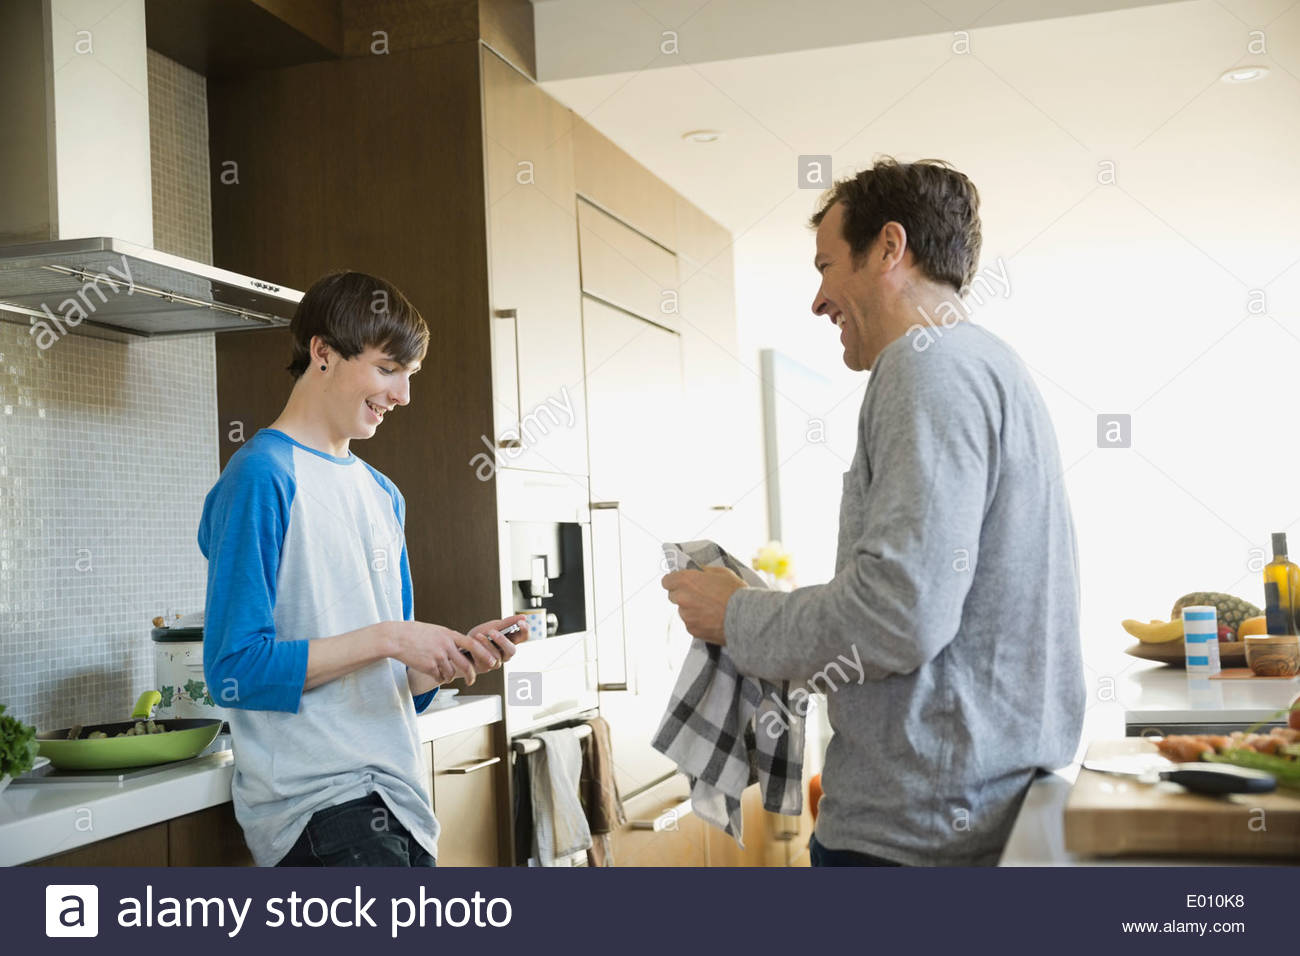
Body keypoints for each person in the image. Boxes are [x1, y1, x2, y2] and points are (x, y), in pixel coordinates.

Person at [661, 158, 1084, 866]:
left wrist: (735, 615)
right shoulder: (988, 364)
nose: (818, 300)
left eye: (827, 267)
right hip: (972, 812)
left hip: (911, 838)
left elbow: (899, 613)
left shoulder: (925, 366)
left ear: (889, 247)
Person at [198, 271, 526, 867]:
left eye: (410, 374)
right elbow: (234, 671)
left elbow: (391, 689)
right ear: (322, 352)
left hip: (401, 802)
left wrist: (445, 659)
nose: (403, 395)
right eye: (387, 369)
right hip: (320, 812)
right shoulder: (261, 477)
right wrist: (391, 638)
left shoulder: (383, 495)